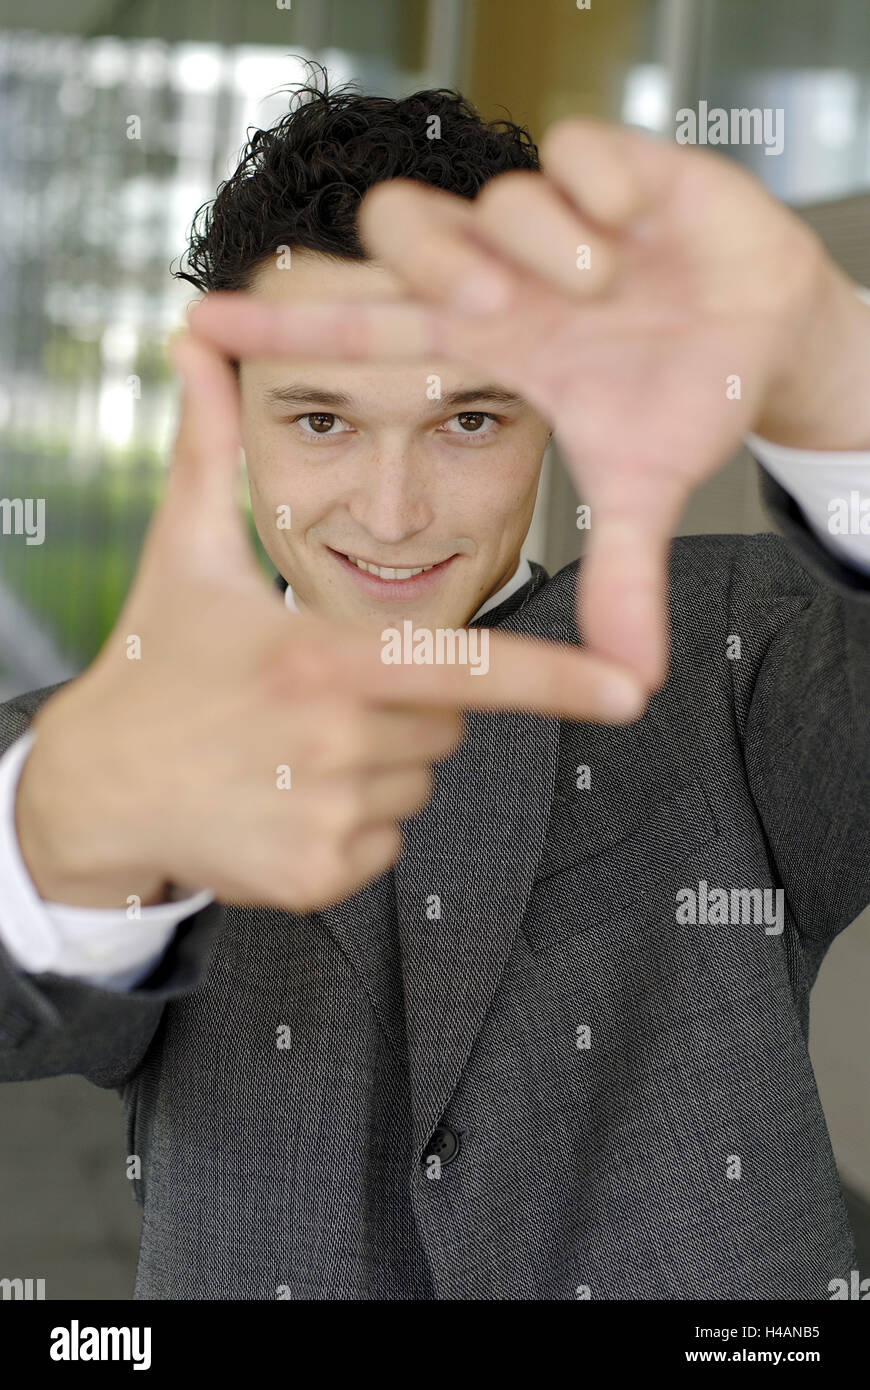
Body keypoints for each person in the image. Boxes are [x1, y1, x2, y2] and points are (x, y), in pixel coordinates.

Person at [0, 76, 868, 1300]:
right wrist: (52, 839)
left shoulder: (737, 648)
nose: (395, 515)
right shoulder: (139, 738)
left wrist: (844, 386)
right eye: (319, 422)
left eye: (468, 420)